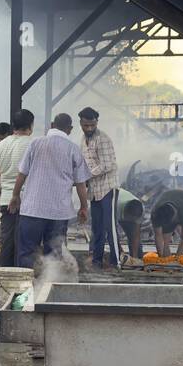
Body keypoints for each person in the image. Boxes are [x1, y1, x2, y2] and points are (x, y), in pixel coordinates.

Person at [10, 113, 90, 269]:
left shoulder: (36, 143)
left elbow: (22, 173)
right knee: (53, 255)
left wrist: (15, 195)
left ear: (52, 125)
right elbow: (81, 184)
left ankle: (25, 289)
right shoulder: (73, 149)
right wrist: (84, 207)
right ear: (70, 129)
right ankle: (47, 288)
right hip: (58, 213)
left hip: (32, 210)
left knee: (26, 253)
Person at [0, 109, 34, 267]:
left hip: (6, 201)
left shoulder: (0, 146)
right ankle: (23, 279)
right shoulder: (32, 144)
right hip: (28, 202)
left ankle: (5, 276)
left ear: (13, 125)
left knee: (7, 242)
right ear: (31, 125)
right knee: (25, 243)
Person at [78, 107, 119, 269]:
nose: (89, 129)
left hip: (108, 188)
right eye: (86, 125)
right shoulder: (82, 139)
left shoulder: (103, 139)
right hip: (94, 191)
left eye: (92, 125)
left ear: (96, 123)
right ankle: (97, 261)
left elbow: (108, 165)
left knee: (111, 227)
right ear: (81, 123)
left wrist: (86, 175)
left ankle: (117, 263)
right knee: (97, 227)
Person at [151, 188, 183, 256]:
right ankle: (166, 262)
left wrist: (177, 258)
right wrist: (161, 257)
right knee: (165, 241)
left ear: (175, 215)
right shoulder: (156, 213)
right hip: (168, 210)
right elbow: (158, 236)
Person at [114, 188, 145, 259]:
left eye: (134, 220)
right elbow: (112, 233)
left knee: (134, 239)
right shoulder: (116, 207)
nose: (132, 222)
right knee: (102, 233)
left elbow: (136, 235)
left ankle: (137, 258)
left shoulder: (140, 210)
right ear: (126, 214)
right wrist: (121, 251)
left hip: (124, 210)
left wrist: (134, 258)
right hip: (109, 200)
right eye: (131, 219)